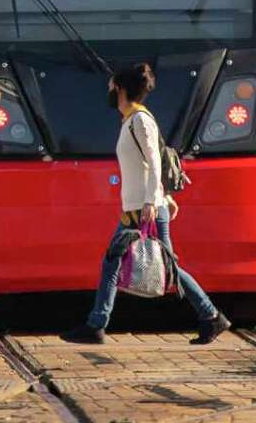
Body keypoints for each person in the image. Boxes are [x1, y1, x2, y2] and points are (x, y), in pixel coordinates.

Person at [63, 62, 231, 346]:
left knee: (167, 269)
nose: (107, 90)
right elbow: (145, 165)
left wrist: (155, 201)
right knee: (113, 262)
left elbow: (154, 161)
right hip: (137, 207)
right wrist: (163, 197)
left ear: (121, 88)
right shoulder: (130, 120)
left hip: (143, 209)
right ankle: (96, 324)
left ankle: (211, 316)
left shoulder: (140, 121)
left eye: (110, 86)